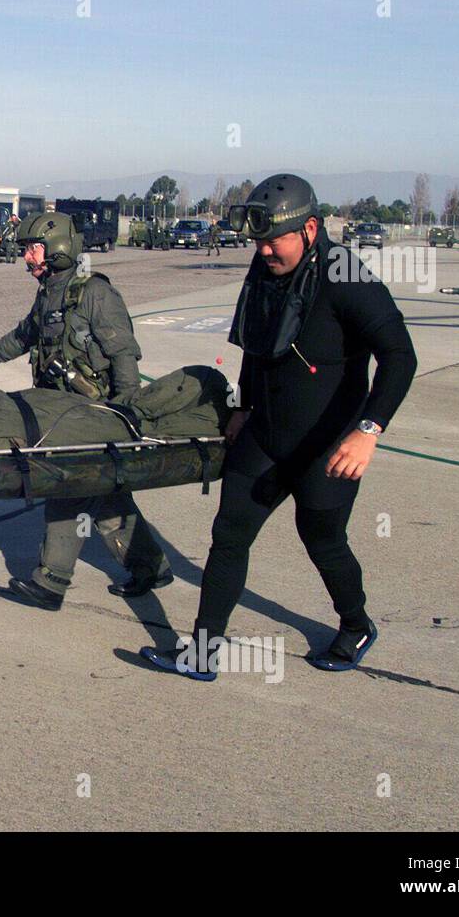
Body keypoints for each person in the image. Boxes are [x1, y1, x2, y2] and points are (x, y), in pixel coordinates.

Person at [143, 174, 417, 680]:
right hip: (266, 435)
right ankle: (203, 653)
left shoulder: (345, 278)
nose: (264, 250)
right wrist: (244, 407)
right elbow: (258, 345)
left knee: (321, 538)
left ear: (310, 229)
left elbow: (400, 357)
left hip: (328, 445)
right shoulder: (266, 273)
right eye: (258, 241)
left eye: (274, 240)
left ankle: (356, 623)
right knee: (228, 535)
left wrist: (368, 430)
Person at [0, 212, 172, 609]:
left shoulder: (94, 293)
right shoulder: (49, 293)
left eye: (32, 248)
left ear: (56, 248)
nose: (26, 256)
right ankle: (151, 566)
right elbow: (25, 335)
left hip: (95, 414)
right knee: (105, 495)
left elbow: (123, 353)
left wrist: (126, 412)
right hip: (63, 412)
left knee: (67, 488)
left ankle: (51, 582)